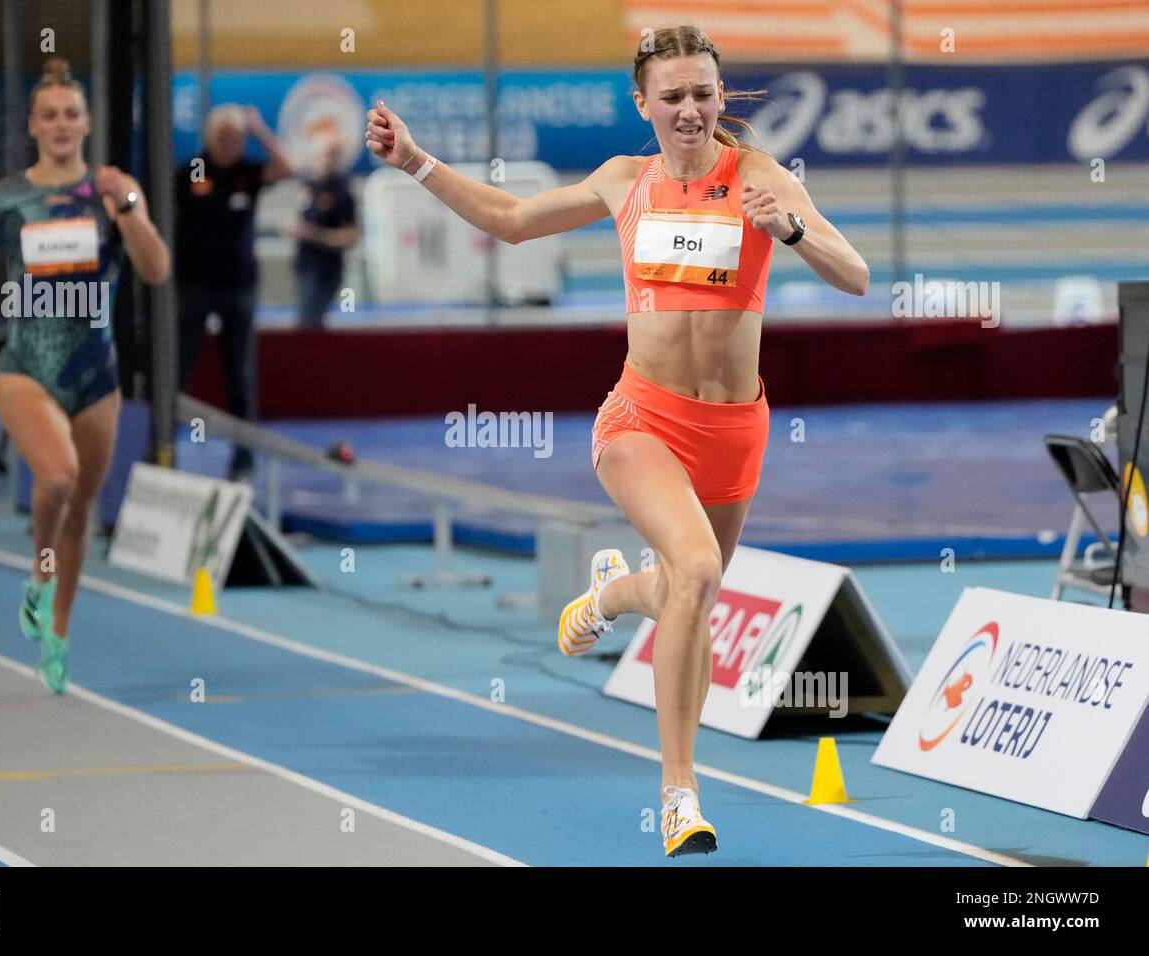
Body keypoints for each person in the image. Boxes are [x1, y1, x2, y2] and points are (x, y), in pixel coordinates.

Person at [364, 25, 869, 857]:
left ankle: (607, 596)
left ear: (719, 95)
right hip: (641, 419)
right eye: (671, 96)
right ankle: (680, 793)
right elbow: (514, 220)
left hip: (735, 430)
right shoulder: (622, 183)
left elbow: (854, 274)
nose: (690, 110)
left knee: (684, 592)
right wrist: (417, 162)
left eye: (703, 93)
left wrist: (790, 230)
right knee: (699, 572)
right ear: (642, 104)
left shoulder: (759, 178)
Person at [0, 57, 170, 694]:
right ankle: (38, 575)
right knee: (58, 476)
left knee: (80, 512)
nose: (60, 125)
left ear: (85, 124)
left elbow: (156, 270)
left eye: (71, 115)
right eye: (48, 115)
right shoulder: (4, 197)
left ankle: (56, 633)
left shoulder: (111, 191)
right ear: (32, 125)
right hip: (26, 366)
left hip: (95, 372)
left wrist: (127, 204)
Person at [176, 104, 292, 479]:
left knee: (239, 375)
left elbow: (288, 169)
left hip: (238, 289)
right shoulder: (190, 172)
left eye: (237, 138)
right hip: (192, 287)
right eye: (223, 137)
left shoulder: (249, 172)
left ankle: (242, 460)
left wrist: (259, 129)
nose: (230, 144)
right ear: (210, 138)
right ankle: (163, 449)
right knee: (178, 370)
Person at [289, 137, 358, 330]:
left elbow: (351, 236)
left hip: (326, 271)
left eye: (331, 155)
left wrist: (315, 235)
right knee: (305, 320)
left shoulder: (342, 192)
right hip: (304, 266)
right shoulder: (309, 187)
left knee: (310, 321)